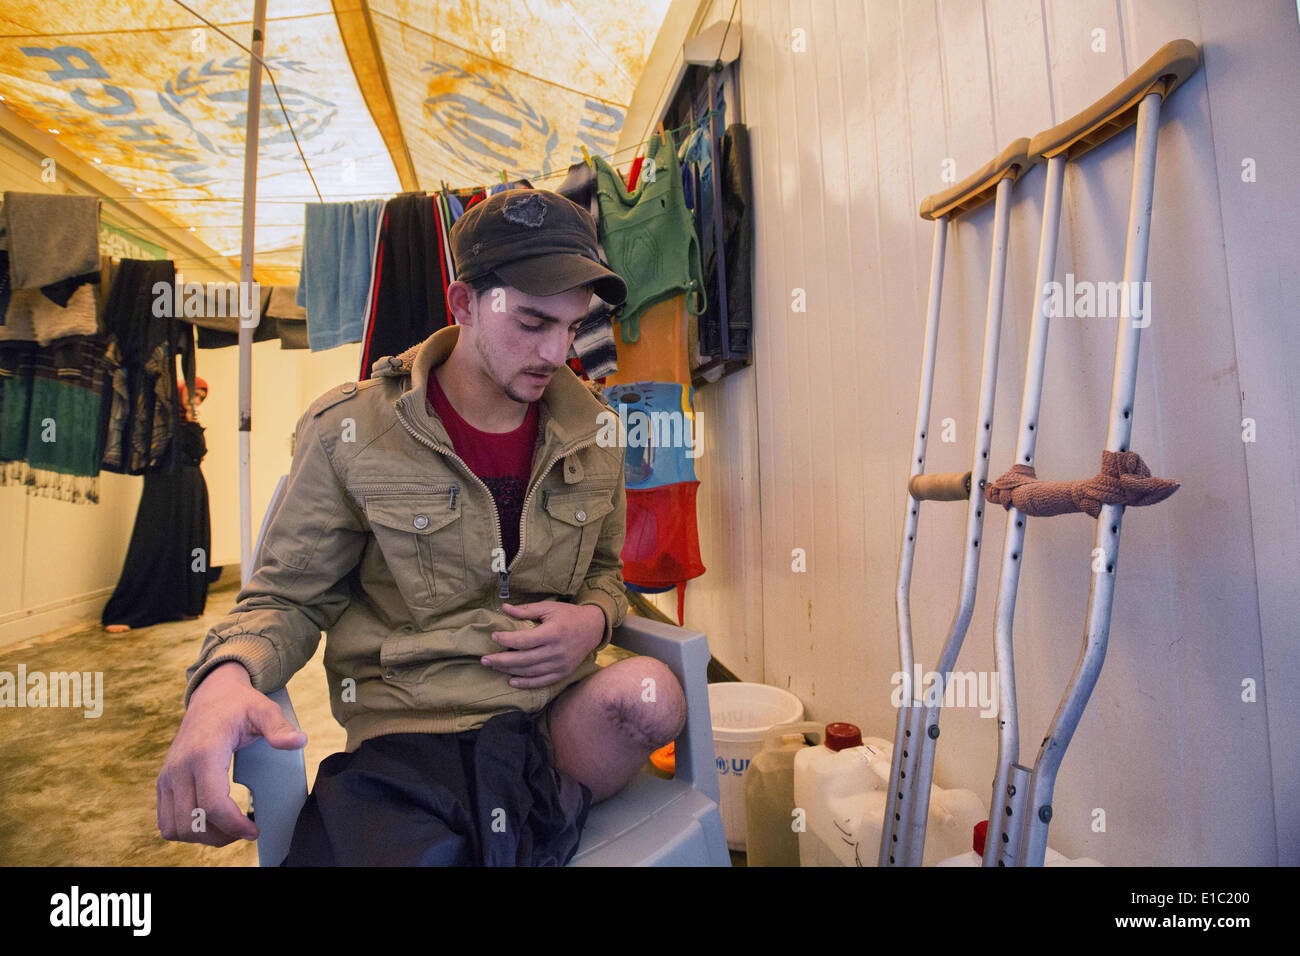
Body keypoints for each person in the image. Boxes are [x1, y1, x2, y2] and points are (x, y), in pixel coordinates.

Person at [156, 189, 687, 865]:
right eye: (530, 322)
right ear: (463, 304)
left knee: (654, 698)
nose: (556, 353)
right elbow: (287, 599)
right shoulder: (350, 430)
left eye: (571, 324)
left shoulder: (597, 430)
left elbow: (606, 575)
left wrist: (595, 621)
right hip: (412, 729)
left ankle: (511, 814)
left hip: (549, 715)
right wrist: (222, 681)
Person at [103, 376, 216, 633]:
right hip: (164, 485)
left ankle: (184, 603)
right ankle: (129, 610)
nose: (196, 400)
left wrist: (191, 419)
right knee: (154, 540)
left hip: (191, 488)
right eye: (192, 394)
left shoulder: (190, 423)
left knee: (189, 545)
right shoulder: (160, 420)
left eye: (200, 396)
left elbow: (197, 453)